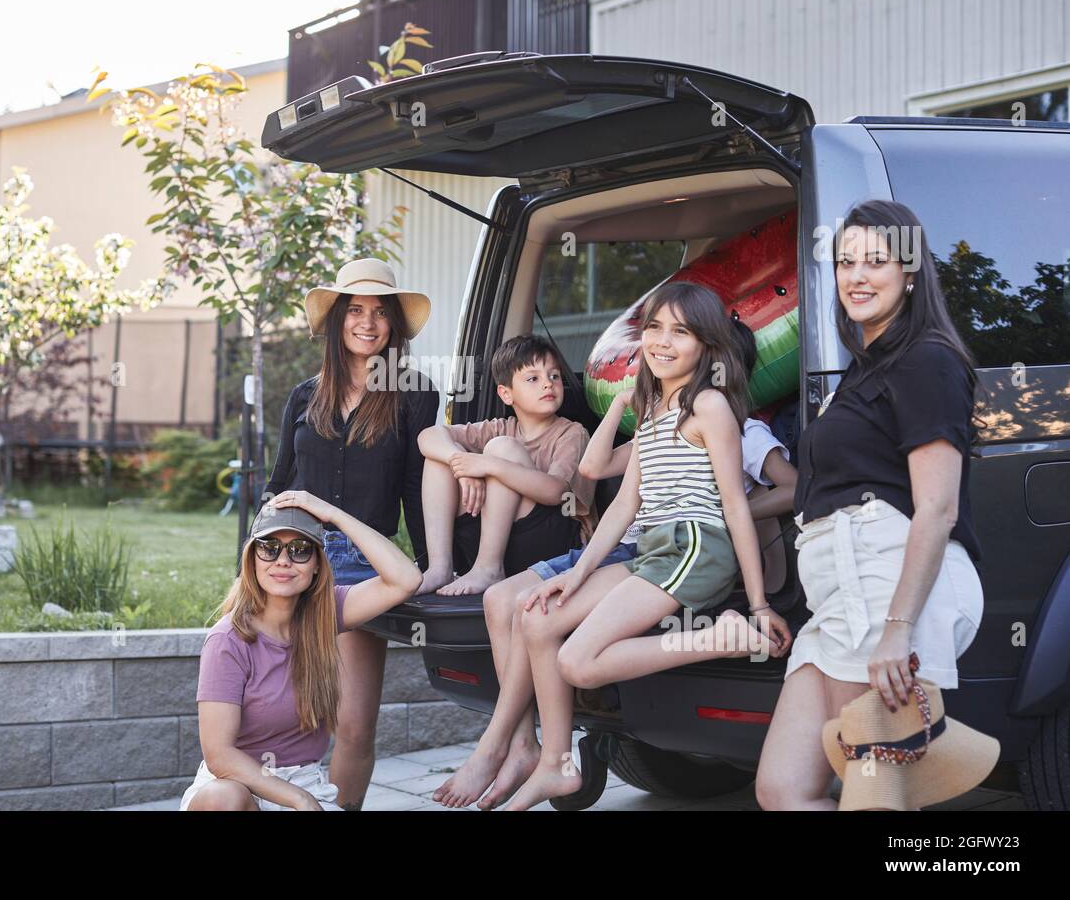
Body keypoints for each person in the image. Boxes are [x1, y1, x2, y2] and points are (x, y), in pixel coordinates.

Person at [435, 292, 796, 809]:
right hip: (653, 550)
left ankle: (720, 639)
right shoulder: (653, 410)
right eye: (654, 328)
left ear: (707, 345)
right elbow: (625, 504)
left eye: (680, 332)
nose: (662, 342)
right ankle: (556, 764)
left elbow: (735, 506)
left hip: (693, 548)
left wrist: (758, 604)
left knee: (578, 663)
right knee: (538, 616)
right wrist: (578, 572)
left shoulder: (709, 405)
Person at [755, 199, 986, 811]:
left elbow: (937, 509)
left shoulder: (927, 360)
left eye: (876, 261)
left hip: (883, 581)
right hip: (841, 592)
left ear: (910, 274)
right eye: (845, 261)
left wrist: (896, 630)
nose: (856, 276)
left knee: (875, 793)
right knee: (782, 790)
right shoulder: (864, 369)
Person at [263, 257, 439, 808]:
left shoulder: (415, 394)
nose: (367, 322)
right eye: (356, 310)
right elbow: (278, 486)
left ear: (393, 324)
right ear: (338, 319)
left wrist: (435, 565)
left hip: (364, 567)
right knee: (284, 713)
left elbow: (417, 485)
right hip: (294, 559)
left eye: (380, 312)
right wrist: (255, 560)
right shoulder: (304, 395)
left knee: (354, 724)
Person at [180, 491, 422, 811]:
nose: (283, 560)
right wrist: (299, 799)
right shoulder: (228, 640)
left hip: (305, 781)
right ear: (252, 559)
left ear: (317, 564)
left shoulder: (325, 614)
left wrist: (334, 515)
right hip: (240, 783)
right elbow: (219, 756)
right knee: (222, 797)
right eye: (269, 548)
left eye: (300, 549)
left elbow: (406, 580)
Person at [415, 334, 595, 596]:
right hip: (508, 539)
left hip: (554, 543)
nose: (548, 383)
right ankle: (440, 567)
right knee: (439, 459)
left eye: (554, 376)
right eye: (533, 378)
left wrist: (488, 466)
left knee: (502, 449)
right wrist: (461, 465)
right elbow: (428, 435)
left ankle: (488, 569)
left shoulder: (571, 433)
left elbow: (557, 492)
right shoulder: (501, 427)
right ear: (506, 394)